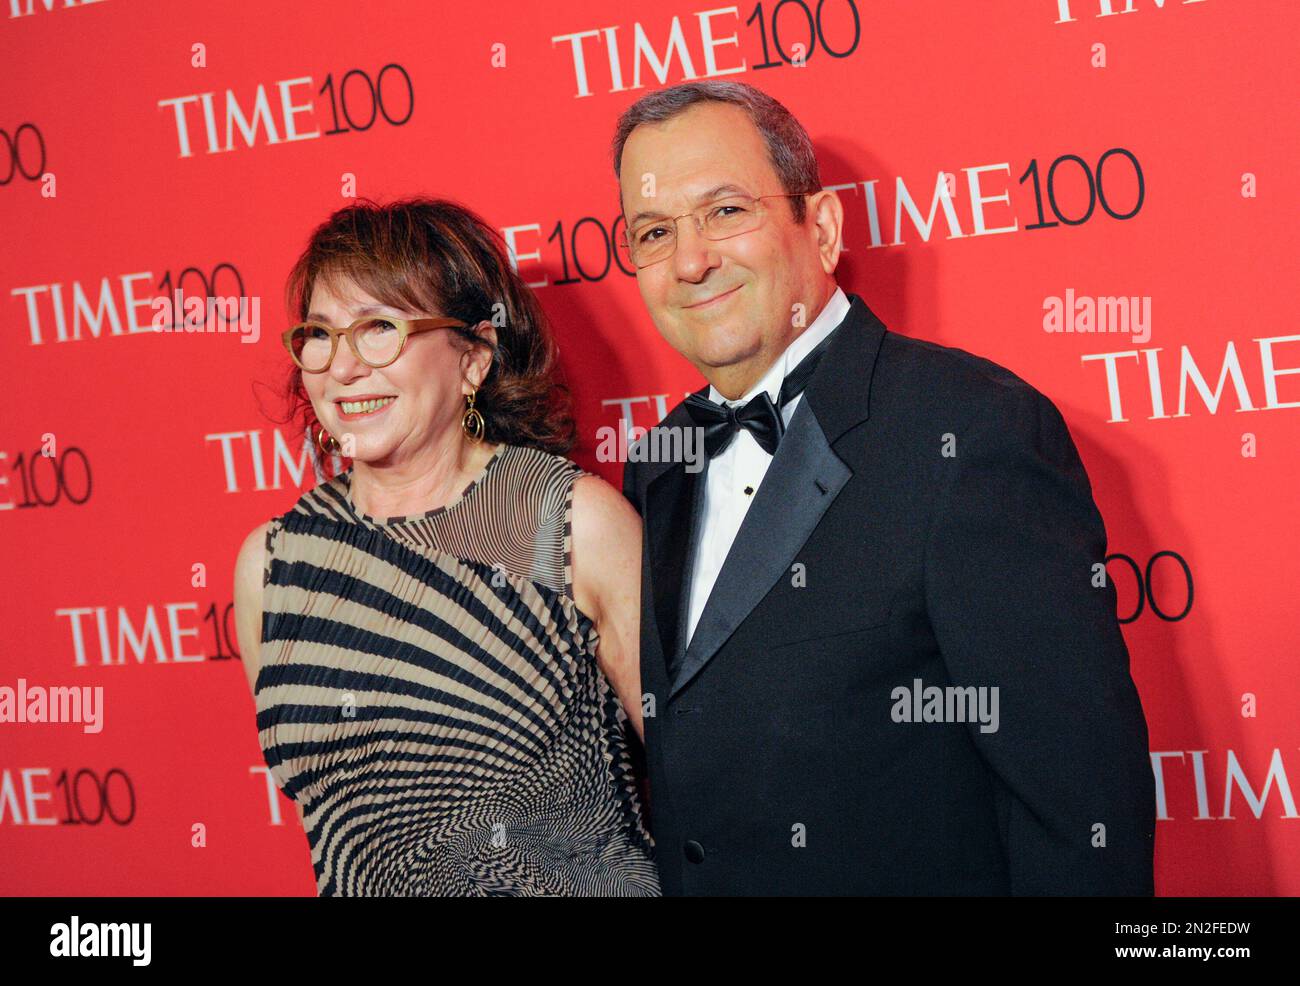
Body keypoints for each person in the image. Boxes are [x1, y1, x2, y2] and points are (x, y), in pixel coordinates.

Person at [612, 81, 1156, 895]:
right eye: (654, 232)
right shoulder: (659, 462)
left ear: (821, 228)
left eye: (727, 212)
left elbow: (1079, 812)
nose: (690, 260)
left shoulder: (972, 431)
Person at [232, 197, 659, 896]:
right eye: (320, 334)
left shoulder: (571, 521)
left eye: (379, 329)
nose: (342, 367)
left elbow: (706, 788)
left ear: (474, 359)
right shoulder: (275, 564)